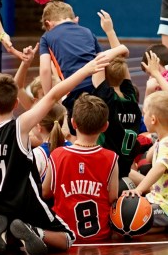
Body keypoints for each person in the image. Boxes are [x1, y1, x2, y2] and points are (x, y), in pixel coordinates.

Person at [0, 55, 109, 255]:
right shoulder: (19, 126)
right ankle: (36, 232)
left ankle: (5, 229)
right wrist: (86, 70)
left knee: (5, 222)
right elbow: (53, 96)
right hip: (25, 203)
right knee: (67, 236)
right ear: (16, 103)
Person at [43, 94, 119, 244]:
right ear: (105, 126)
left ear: (73, 123)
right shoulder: (111, 157)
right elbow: (113, 198)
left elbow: (45, 193)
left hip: (64, 235)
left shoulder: (58, 154)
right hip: (100, 236)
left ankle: (39, 233)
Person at [122, 90, 168, 231]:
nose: (143, 117)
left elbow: (159, 168)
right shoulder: (167, 138)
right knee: (126, 208)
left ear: (153, 119)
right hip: (161, 200)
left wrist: (139, 189)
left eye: (144, 114)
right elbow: (150, 158)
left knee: (129, 217)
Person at [92, 10, 143, 178]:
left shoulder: (107, 98)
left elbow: (98, 61)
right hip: (127, 165)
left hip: (108, 167)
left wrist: (119, 47)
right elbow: (123, 65)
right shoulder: (130, 96)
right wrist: (110, 32)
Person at [38, 0, 104, 116]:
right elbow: (102, 58)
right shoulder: (87, 31)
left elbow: (45, 70)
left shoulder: (46, 37)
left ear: (48, 24)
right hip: (98, 86)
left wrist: (48, 98)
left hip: (74, 88)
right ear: (75, 20)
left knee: (77, 126)